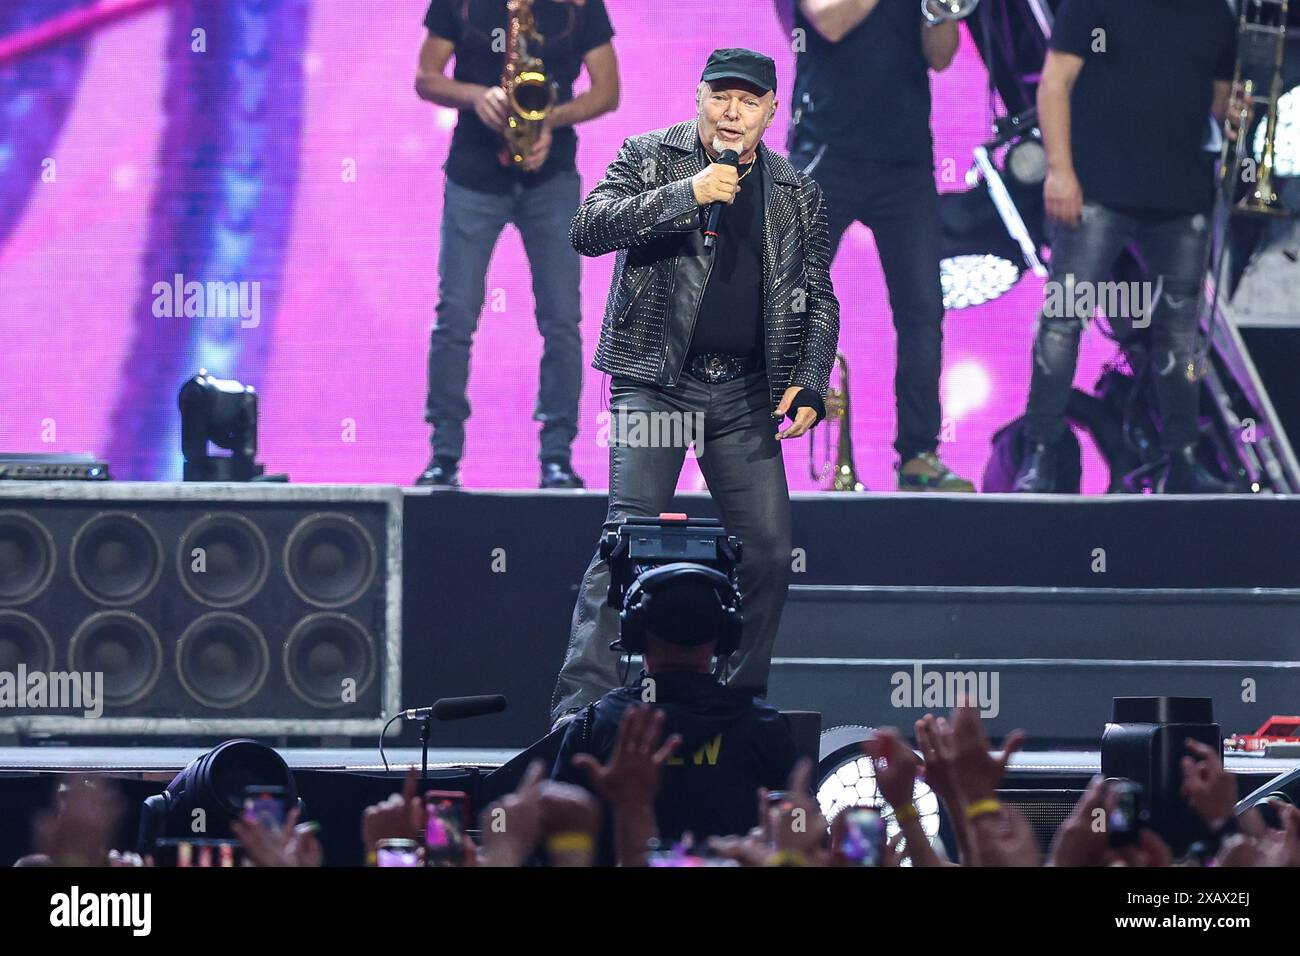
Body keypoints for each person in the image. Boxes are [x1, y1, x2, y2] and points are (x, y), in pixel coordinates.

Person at [548, 47, 840, 726]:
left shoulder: (797, 192)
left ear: (771, 110)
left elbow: (819, 298)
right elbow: (587, 229)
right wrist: (690, 194)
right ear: (699, 98)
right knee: (626, 538)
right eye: (721, 97)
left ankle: (736, 703)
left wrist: (808, 380)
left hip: (744, 398)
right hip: (656, 383)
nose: (732, 113)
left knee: (767, 552)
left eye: (749, 101)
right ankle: (578, 713)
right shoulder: (651, 154)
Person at [1012, 0, 1238, 493]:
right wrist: (1059, 169)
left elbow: (1218, 106)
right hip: (1098, 189)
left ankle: (1183, 460)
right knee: (1062, 323)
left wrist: (1237, 112)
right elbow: (1054, 84)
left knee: (1181, 338)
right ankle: (1041, 453)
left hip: (1182, 197)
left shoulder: (1217, 14)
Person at [414, 0, 620, 489]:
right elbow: (426, 77)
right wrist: (476, 95)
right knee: (455, 315)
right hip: (473, 174)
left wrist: (550, 120)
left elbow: (608, 91)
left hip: (551, 178)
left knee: (562, 319)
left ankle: (557, 455)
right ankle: (443, 454)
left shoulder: (579, 6)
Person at [783, 0, 975, 492]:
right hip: (828, 151)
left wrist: (939, 13)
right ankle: (741, 439)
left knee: (922, 312)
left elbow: (942, 55)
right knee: (781, 299)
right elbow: (828, 21)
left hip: (905, 162)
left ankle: (918, 454)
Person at [552, 563, 799, 864]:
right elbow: (801, 840)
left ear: (635, 633)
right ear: (726, 635)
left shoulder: (593, 726)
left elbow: (557, 843)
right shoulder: (768, 730)